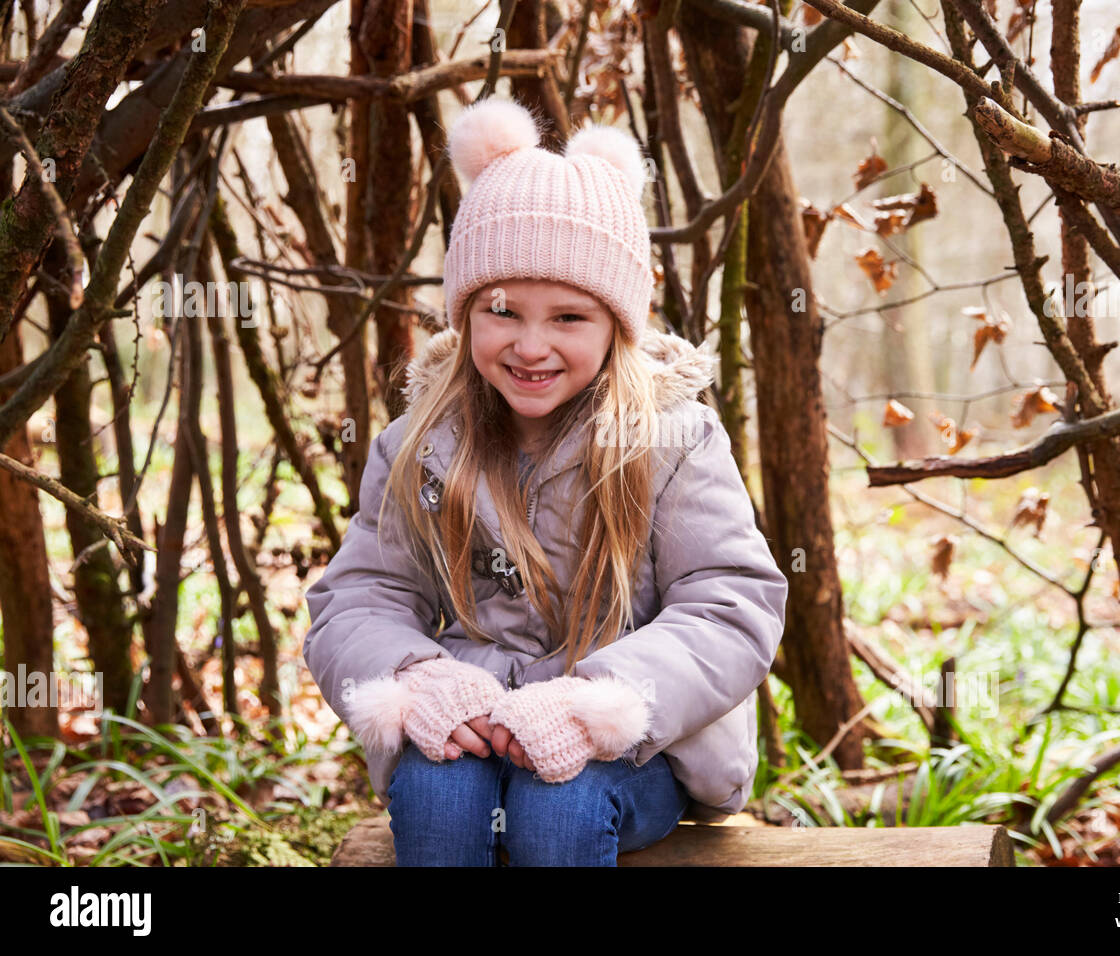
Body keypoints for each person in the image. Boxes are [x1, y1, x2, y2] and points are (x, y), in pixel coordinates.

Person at [301, 96, 788, 866]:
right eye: (502, 310)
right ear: (466, 313)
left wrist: (602, 702)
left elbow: (732, 602)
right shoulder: (422, 445)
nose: (531, 346)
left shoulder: (671, 440)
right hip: (477, 715)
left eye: (568, 317)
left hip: (637, 743)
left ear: (616, 324)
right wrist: (417, 677)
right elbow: (361, 596)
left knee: (557, 806)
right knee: (435, 792)